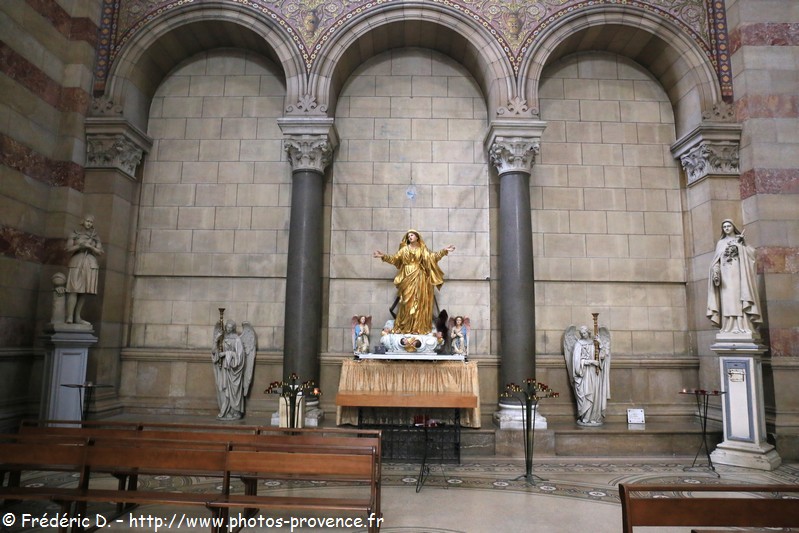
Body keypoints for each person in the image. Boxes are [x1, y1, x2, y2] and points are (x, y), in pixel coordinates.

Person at [373, 230, 455, 335]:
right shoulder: (404, 250)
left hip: (420, 278)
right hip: (407, 277)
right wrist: (383, 256)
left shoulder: (422, 249)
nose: (410, 237)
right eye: (408, 235)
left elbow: (432, 257)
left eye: (412, 235)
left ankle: (417, 328)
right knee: (406, 302)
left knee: (419, 303)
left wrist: (444, 251)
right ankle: (404, 327)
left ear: (417, 237)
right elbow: (394, 259)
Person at [707, 219, 762, 336]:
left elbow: (753, 254)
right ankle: (728, 327)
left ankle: (743, 325)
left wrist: (742, 245)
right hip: (725, 277)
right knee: (727, 301)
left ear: (733, 227)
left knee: (740, 298)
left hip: (739, 275)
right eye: (724, 227)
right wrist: (716, 271)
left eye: (728, 226)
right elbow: (716, 260)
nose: (726, 228)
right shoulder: (720, 243)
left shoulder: (740, 240)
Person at [563, 325, 611, 426]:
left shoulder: (595, 343)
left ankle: (594, 417)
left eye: (584, 333)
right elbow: (576, 362)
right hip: (584, 374)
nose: (583, 335)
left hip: (594, 373)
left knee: (595, 394)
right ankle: (585, 417)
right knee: (585, 394)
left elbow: (602, 356)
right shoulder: (578, 344)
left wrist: (600, 343)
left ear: (588, 332)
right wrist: (591, 362)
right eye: (581, 333)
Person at [211, 319, 257, 420]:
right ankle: (226, 411)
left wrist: (227, 354)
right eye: (227, 328)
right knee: (224, 390)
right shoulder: (222, 339)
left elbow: (240, 357)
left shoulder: (237, 340)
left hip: (234, 370)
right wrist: (216, 340)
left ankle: (235, 412)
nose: (228, 329)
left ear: (233, 329)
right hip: (225, 370)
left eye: (230, 328)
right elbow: (215, 352)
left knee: (235, 391)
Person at [65, 214, 103, 325]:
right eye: (87, 221)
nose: (89, 223)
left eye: (91, 222)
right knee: (74, 289)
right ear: (83, 221)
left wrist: (90, 247)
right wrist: (80, 246)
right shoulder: (75, 233)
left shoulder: (95, 236)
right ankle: (69, 316)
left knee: (83, 291)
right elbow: (68, 249)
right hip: (77, 261)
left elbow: (100, 252)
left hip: (89, 262)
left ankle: (77, 316)